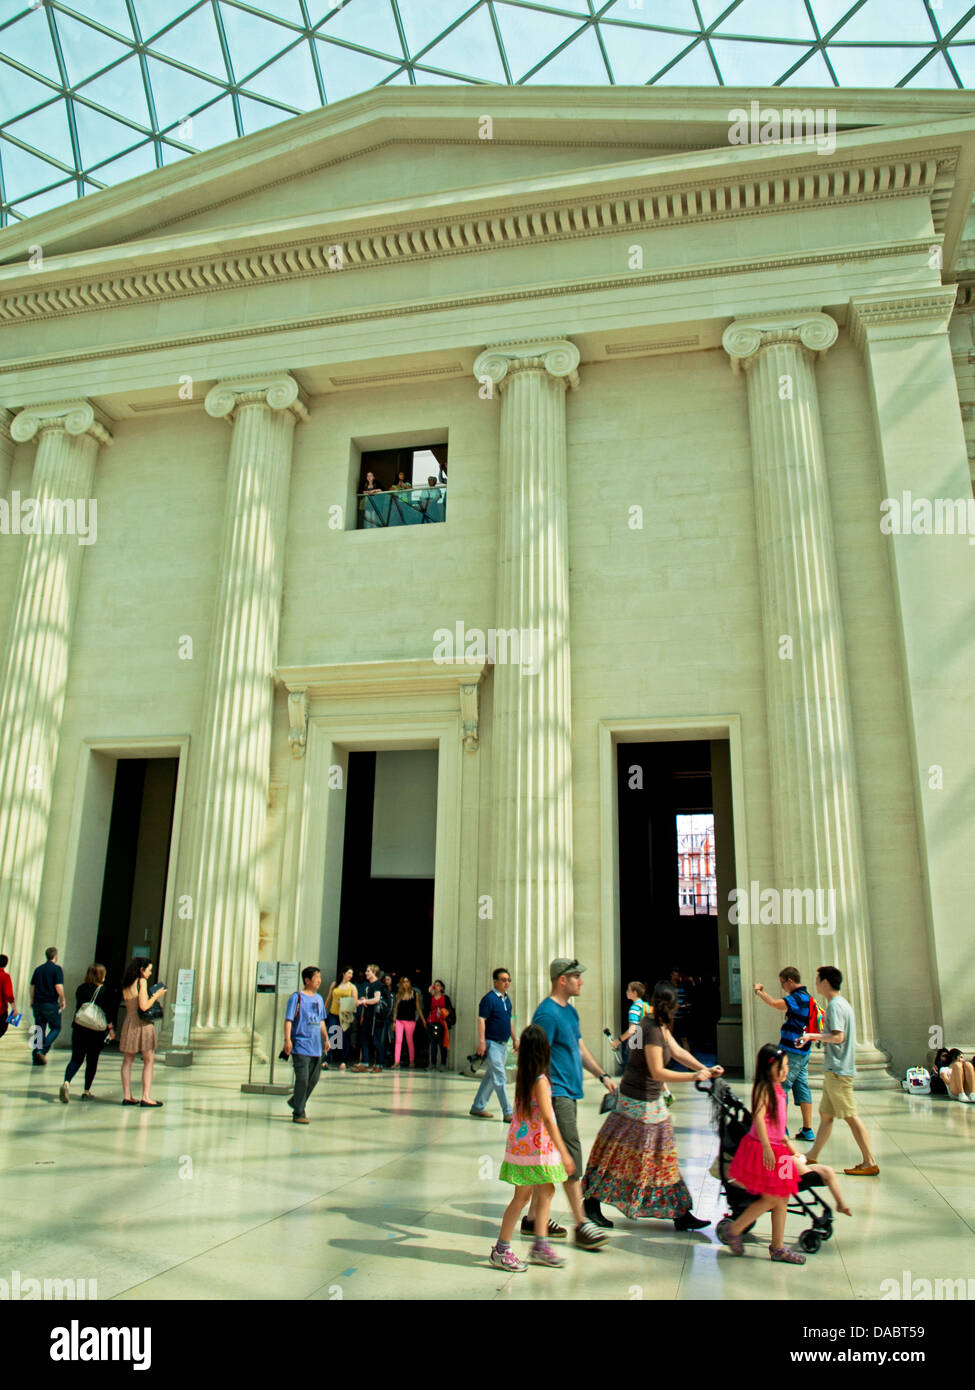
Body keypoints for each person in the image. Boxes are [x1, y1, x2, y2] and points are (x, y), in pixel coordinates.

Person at [583, 980, 717, 1231]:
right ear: (671, 1005)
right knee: (621, 1156)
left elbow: (677, 1052)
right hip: (637, 1103)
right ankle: (592, 1200)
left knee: (662, 1157)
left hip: (650, 1103)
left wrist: (704, 1068)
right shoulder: (652, 1027)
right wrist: (694, 1076)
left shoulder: (659, 1025)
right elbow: (657, 1071)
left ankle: (680, 1211)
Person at [718, 1043, 852, 1264]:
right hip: (762, 1150)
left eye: (787, 1066)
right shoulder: (764, 1088)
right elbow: (759, 1118)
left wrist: (790, 1149)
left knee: (782, 1197)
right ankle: (736, 1229)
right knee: (774, 1197)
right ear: (769, 1068)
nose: (786, 1070)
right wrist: (768, 1148)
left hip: (778, 1151)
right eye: (783, 1066)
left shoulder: (779, 1090)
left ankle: (777, 1247)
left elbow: (779, 1127)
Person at [527, 959, 617, 1249]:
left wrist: (602, 1074)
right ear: (561, 980)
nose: (581, 981)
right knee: (570, 1152)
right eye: (576, 977)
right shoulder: (547, 1014)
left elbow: (578, 1047)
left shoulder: (570, 1013)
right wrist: (542, 1096)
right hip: (557, 1094)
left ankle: (531, 1218)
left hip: (569, 1092)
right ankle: (581, 1223)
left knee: (550, 1156)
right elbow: (535, 1058)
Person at [489, 1024, 575, 1271]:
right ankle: (501, 1249)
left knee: (546, 1190)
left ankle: (540, 1246)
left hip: (526, 1147)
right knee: (522, 1197)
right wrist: (564, 1151)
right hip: (534, 1150)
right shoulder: (540, 1081)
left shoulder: (526, 1077)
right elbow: (548, 1118)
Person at [802, 966, 879, 1176]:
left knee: (850, 1116)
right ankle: (812, 1154)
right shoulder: (841, 1004)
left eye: (818, 980)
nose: (816, 983)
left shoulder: (835, 1006)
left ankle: (869, 1161)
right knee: (826, 1115)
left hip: (838, 1070)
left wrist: (812, 1036)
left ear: (825, 982)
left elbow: (838, 1037)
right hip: (835, 1069)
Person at [754, 968, 815, 1141]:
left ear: (789, 980)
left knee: (781, 1087)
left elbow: (774, 1004)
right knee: (802, 1087)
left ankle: (782, 1129)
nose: (783, 987)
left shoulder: (797, 998)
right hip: (804, 1051)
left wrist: (760, 991)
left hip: (792, 1050)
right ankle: (807, 1129)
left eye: (782, 983)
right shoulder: (809, 998)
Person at [60, 964, 116, 1102]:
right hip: (96, 1031)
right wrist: (111, 1029)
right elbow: (107, 1012)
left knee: (76, 1058)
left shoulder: (81, 988)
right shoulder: (104, 991)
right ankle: (86, 1091)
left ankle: (66, 1082)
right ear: (101, 976)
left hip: (80, 1027)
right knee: (92, 1061)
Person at [470, 967, 518, 1119]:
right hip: (492, 1044)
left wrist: (515, 1038)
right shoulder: (488, 999)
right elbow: (481, 1020)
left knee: (491, 1077)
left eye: (508, 980)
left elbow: (509, 1020)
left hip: (503, 1045)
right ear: (495, 981)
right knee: (499, 1077)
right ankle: (508, 1112)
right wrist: (482, 1042)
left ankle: (478, 1106)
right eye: (503, 980)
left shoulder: (506, 999)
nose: (506, 983)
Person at [283, 966, 329, 1123]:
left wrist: (326, 1038)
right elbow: (288, 1020)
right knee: (302, 1079)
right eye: (316, 977)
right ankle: (299, 1113)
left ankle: (296, 1101)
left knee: (313, 1079)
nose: (319, 981)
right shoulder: (296, 998)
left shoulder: (319, 999)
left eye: (320, 977)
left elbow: (321, 1020)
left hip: (316, 1047)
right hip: (301, 1045)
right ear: (307, 980)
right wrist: (287, 1040)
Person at [119, 959, 166, 1107]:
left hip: (129, 1021)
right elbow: (144, 1006)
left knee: (127, 1060)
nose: (150, 973)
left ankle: (127, 1095)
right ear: (141, 969)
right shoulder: (142, 982)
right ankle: (146, 1096)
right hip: (143, 1023)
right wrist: (156, 996)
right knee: (149, 1059)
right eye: (149, 969)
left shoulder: (126, 984)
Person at [30, 946, 65, 1065]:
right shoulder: (57, 969)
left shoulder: (38, 969)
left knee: (39, 1029)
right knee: (56, 1027)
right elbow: (58, 986)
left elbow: (32, 986)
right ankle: (42, 1050)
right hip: (50, 1003)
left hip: (38, 1003)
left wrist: (32, 999)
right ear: (55, 956)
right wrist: (63, 999)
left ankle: (36, 1053)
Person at [353, 964, 390, 1072]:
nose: (366, 973)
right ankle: (365, 1063)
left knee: (376, 1041)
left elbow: (377, 999)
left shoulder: (377, 985)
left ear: (374, 972)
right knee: (364, 1038)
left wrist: (363, 1001)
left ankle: (379, 1064)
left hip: (376, 1018)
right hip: (369, 1017)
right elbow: (371, 1000)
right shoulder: (370, 986)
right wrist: (366, 1001)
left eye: (368, 971)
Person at [324, 967, 358, 1071]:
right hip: (333, 1013)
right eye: (349, 973)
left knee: (344, 1038)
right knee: (331, 1036)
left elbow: (355, 1003)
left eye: (352, 973)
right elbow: (329, 998)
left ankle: (344, 1061)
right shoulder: (335, 984)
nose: (351, 975)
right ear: (343, 973)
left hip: (345, 1016)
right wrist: (323, 1012)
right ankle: (326, 1060)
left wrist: (343, 1002)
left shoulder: (352, 987)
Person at [392, 977, 424, 1068]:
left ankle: (412, 1060)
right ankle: (396, 1061)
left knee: (409, 1040)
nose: (405, 983)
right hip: (399, 1020)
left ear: (410, 983)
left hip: (410, 1020)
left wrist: (423, 1020)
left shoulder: (415, 994)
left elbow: (418, 1008)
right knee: (398, 1041)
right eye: (403, 982)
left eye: (407, 981)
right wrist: (394, 1021)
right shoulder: (398, 995)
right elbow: (395, 1008)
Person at [610, 981, 649, 1054]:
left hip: (635, 1045)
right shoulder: (645, 1005)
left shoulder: (634, 1008)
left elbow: (632, 1029)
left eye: (628, 990)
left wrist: (617, 1041)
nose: (626, 992)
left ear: (635, 993)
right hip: (645, 1043)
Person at [426, 979, 453, 1071]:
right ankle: (432, 1063)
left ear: (441, 987)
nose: (436, 987)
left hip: (442, 1023)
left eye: (438, 985)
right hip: (431, 1022)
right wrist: (429, 994)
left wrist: (443, 1012)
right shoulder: (431, 998)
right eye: (435, 985)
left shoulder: (445, 998)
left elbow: (450, 1010)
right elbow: (426, 1007)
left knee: (442, 1044)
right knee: (433, 1044)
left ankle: (443, 1063)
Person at [0, 953, 15, 1040]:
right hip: (1, 1010)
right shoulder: (5, 976)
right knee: (2, 1028)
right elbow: (8, 994)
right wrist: (14, 1008)